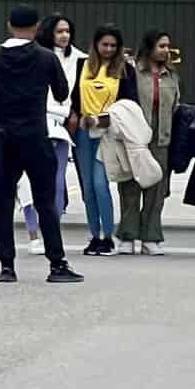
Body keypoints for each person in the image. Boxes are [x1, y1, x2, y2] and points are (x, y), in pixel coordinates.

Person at [0, 5, 79, 284]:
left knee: (3, 202)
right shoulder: (45, 58)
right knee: (45, 202)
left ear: (9, 25)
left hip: (1, 139)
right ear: (37, 27)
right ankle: (57, 264)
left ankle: (7, 266)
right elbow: (61, 92)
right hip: (35, 137)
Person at [117, 30, 179, 254]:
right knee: (130, 186)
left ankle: (150, 237)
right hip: (135, 136)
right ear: (150, 47)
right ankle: (127, 235)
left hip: (161, 138)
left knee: (156, 188)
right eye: (161, 46)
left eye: (167, 46)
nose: (165, 51)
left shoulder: (171, 75)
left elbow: (175, 106)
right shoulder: (131, 71)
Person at [22, 15, 79, 249]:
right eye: (59, 31)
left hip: (60, 125)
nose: (64, 35)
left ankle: (50, 234)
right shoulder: (33, 56)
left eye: (67, 31)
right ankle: (33, 234)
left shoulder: (79, 59)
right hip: (34, 122)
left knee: (55, 182)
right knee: (26, 181)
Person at [72, 25, 127, 257]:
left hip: (108, 132)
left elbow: (128, 103)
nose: (108, 49)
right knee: (87, 188)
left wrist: (103, 119)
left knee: (100, 184)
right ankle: (94, 235)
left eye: (113, 46)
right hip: (84, 132)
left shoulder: (124, 70)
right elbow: (73, 94)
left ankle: (108, 235)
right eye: (104, 44)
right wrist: (78, 115)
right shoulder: (81, 65)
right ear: (95, 44)